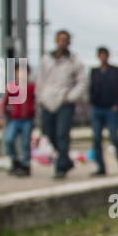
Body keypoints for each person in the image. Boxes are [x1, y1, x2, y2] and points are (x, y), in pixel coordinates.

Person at [36, 29, 87, 180]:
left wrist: (71, 97)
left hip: (65, 102)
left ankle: (60, 168)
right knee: (49, 133)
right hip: (47, 102)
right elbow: (40, 79)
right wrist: (41, 98)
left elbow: (83, 81)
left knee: (62, 135)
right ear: (56, 41)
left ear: (69, 42)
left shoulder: (74, 61)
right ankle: (65, 161)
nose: (63, 42)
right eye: (60, 39)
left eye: (66, 40)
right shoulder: (46, 59)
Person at [88, 46, 118, 175]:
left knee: (114, 138)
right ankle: (101, 167)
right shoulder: (94, 71)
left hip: (111, 110)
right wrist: (92, 104)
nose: (103, 57)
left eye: (104, 54)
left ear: (108, 56)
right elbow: (91, 89)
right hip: (97, 109)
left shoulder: (117, 71)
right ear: (98, 56)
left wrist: (117, 105)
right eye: (100, 55)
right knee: (96, 139)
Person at [2, 62, 36, 176]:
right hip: (14, 119)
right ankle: (15, 161)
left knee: (25, 143)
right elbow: (4, 102)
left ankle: (26, 165)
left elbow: (37, 101)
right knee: (9, 140)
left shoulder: (32, 87)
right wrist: (2, 116)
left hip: (28, 119)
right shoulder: (12, 86)